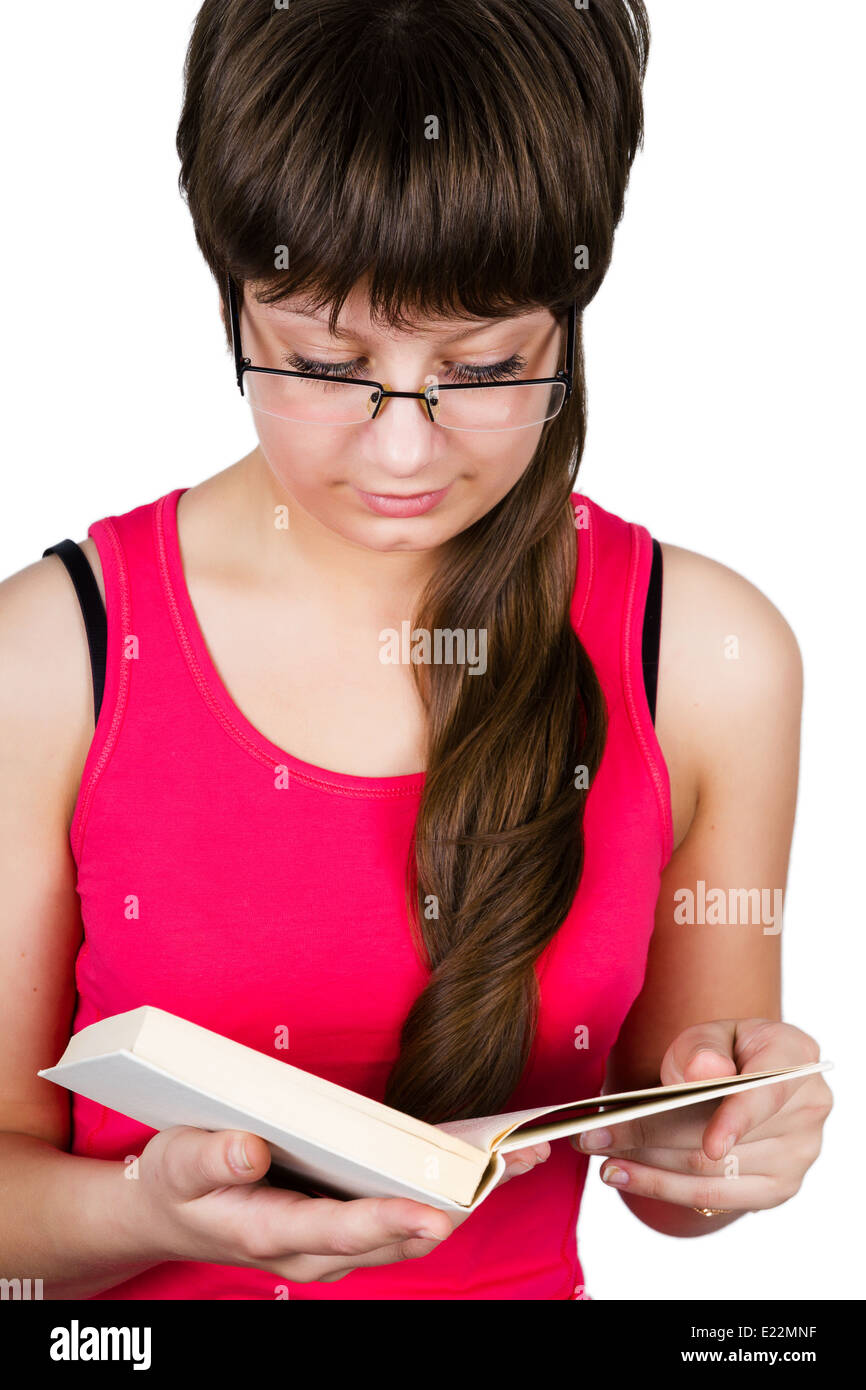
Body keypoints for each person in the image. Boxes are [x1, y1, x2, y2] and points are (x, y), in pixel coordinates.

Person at [0, 0, 832, 1301]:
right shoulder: (55, 655)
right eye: (327, 365)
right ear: (233, 305)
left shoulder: (709, 655)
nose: (402, 452)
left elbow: (671, 1164)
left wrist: (729, 1140)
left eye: (484, 363)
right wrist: (144, 1208)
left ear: (567, 319)